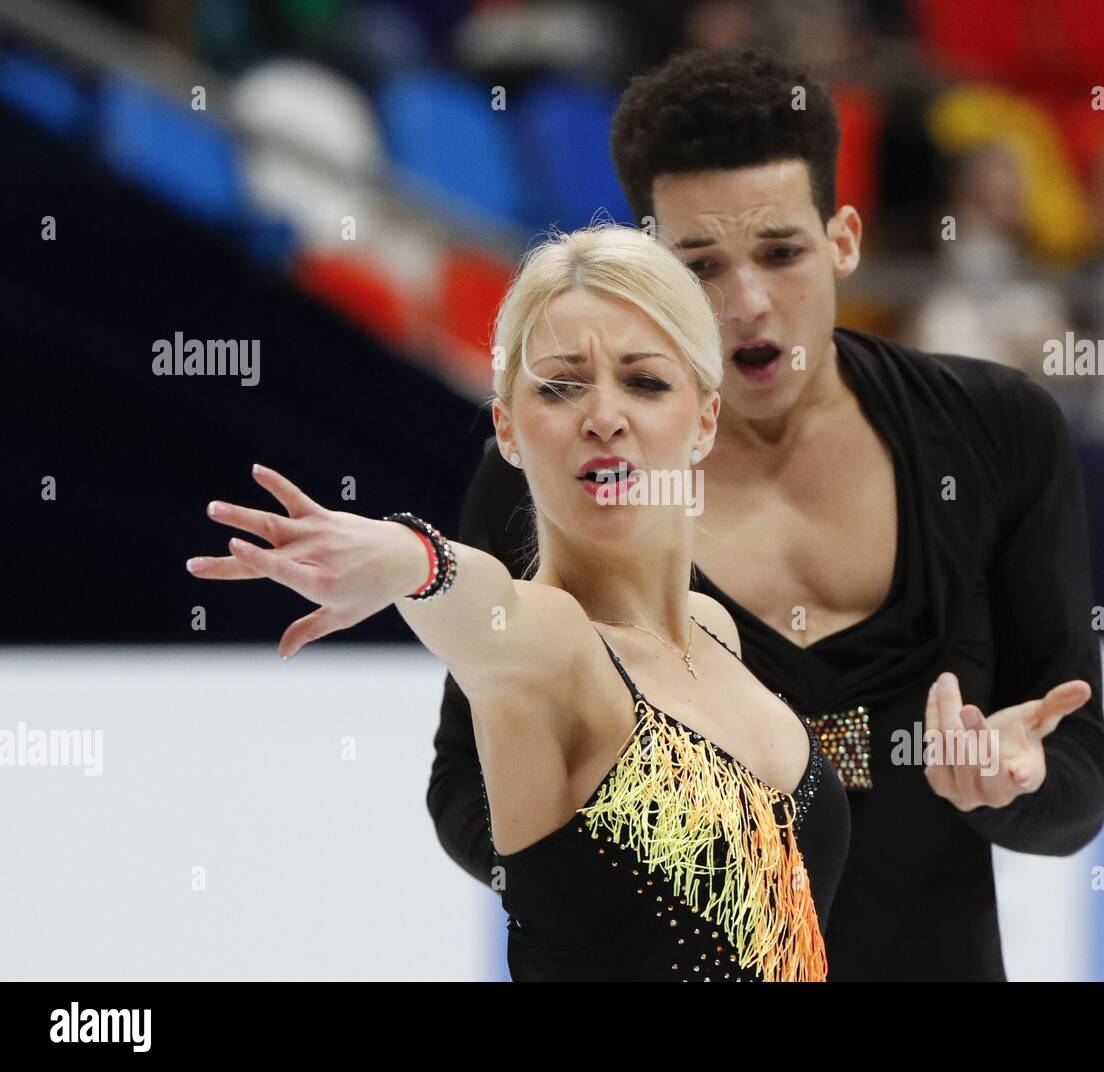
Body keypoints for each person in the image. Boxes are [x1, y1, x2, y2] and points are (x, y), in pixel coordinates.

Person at [429, 46, 1104, 981]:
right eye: (700, 263)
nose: (746, 303)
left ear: (844, 239)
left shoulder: (998, 432)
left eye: (782, 252)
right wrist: (685, 851)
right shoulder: (551, 469)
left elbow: (1076, 779)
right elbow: (467, 795)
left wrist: (1012, 782)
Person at [186, 223, 851, 982]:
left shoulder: (714, 631)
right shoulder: (553, 648)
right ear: (506, 426)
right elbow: (486, 612)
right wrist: (414, 560)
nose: (604, 416)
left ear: (704, 419)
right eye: (562, 385)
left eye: (645, 381)